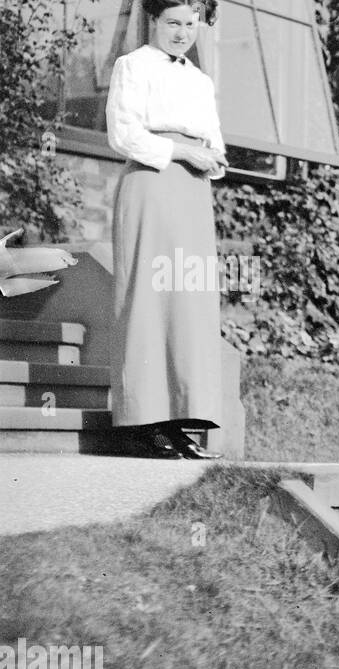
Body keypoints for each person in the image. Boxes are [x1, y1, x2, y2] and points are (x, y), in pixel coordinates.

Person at [106, 0, 226, 459]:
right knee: (148, 299)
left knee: (187, 300)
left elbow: (214, 142)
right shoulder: (131, 66)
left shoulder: (200, 80)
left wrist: (211, 157)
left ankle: (178, 423)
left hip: (193, 195)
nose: (181, 33)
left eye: (190, 25)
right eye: (172, 23)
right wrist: (181, 150)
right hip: (151, 185)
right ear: (153, 21)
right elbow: (123, 134)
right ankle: (142, 424)